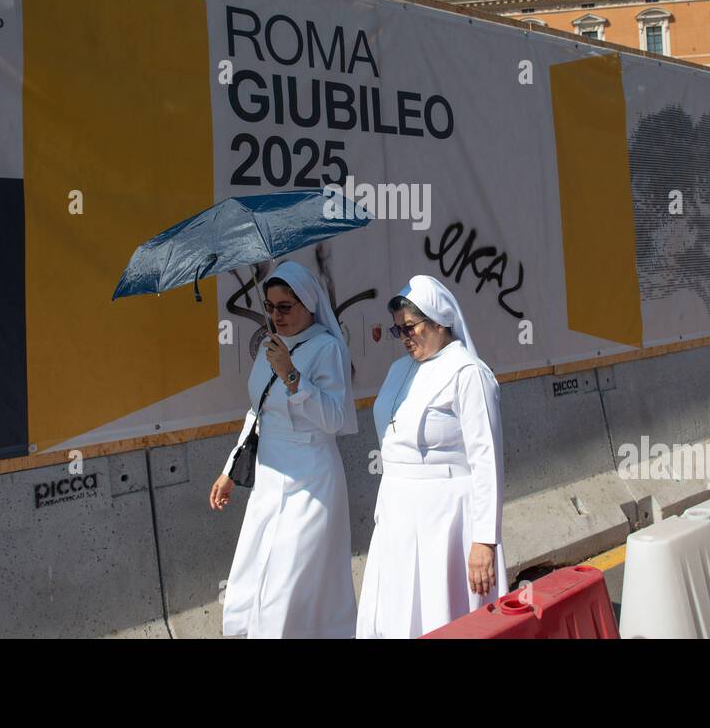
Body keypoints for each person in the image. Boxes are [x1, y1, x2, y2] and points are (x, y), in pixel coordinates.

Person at [209, 260, 358, 638]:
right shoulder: (269, 346)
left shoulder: (327, 349)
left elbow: (336, 418)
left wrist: (293, 378)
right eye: (270, 307)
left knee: (291, 583)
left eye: (285, 307)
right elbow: (257, 411)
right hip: (270, 475)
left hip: (311, 479)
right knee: (256, 571)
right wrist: (230, 469)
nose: (277, 316)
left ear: (307, 302)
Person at [356, 275, 505, 638]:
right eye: (398, 331)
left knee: (442, 613)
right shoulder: (399, 370)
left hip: (447, 519)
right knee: (396, 612)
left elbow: (487, 459)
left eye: (410, 328)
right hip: (398, 516)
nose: (405, 338)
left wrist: (484, 541)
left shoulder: (468, 373)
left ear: (440, 321)